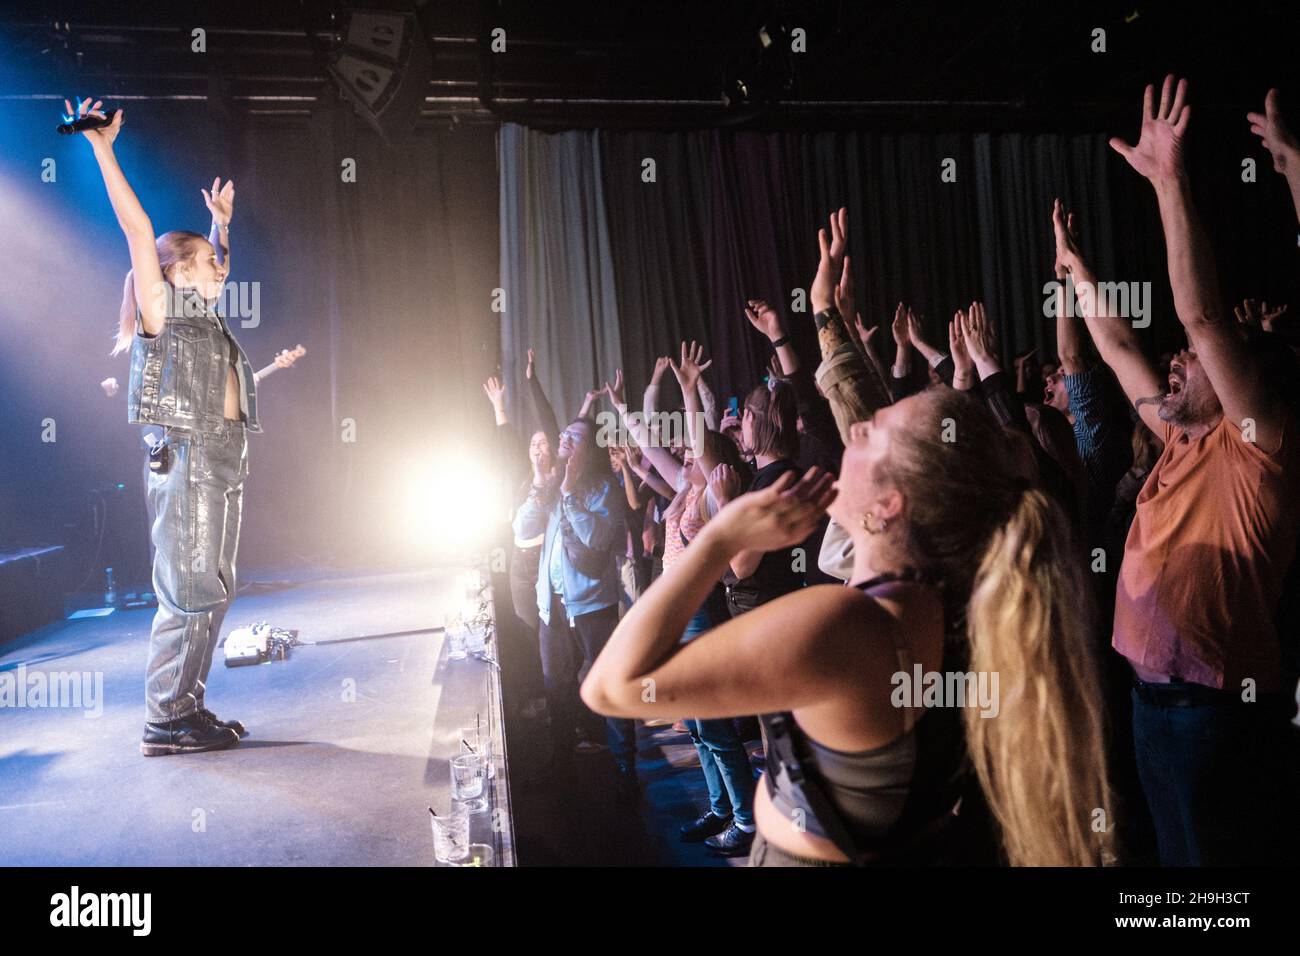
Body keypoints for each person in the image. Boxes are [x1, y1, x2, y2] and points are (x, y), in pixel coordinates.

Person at [581, 387, 1111, 867]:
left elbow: (610, 686)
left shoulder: (849, 626)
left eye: (872, 432)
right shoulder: (945, 597)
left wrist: (720, 537)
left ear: (887, 505)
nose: (853, 431)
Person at [1056, 75, 1300, 864]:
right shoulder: (1179, 441)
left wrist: (1170, 181)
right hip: (1151, 704)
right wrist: (1080, 280)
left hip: (1214, 713)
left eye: (1191, 362)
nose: (1175, 360)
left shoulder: (1257, 448)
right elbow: (1121, 351)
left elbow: (1201, 314)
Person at [72, 96, 259, 755]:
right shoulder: (162, 309)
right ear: (177, 271)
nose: (222, 267)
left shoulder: (202, 313)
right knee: (187, 593)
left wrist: (220, 227)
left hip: (221, 457)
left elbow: (222, 266)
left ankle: (187, 705)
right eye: (209, 259)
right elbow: (137, 226)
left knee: (215, 589)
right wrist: (103, 150)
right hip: (185, 456)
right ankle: (164, 719)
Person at [512, 413, 637, 799]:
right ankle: (561, 763)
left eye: (575, 437)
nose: (564, 439)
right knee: (556, 689)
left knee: (607, 684)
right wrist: (540, 480)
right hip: (553, 607)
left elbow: (597, 538)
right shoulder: (548, 485)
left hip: (593, 607)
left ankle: (624, 767)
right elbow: (522, 531)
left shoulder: (603, 489)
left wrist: (569, 495)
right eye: (564, 433)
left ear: (588, 450)